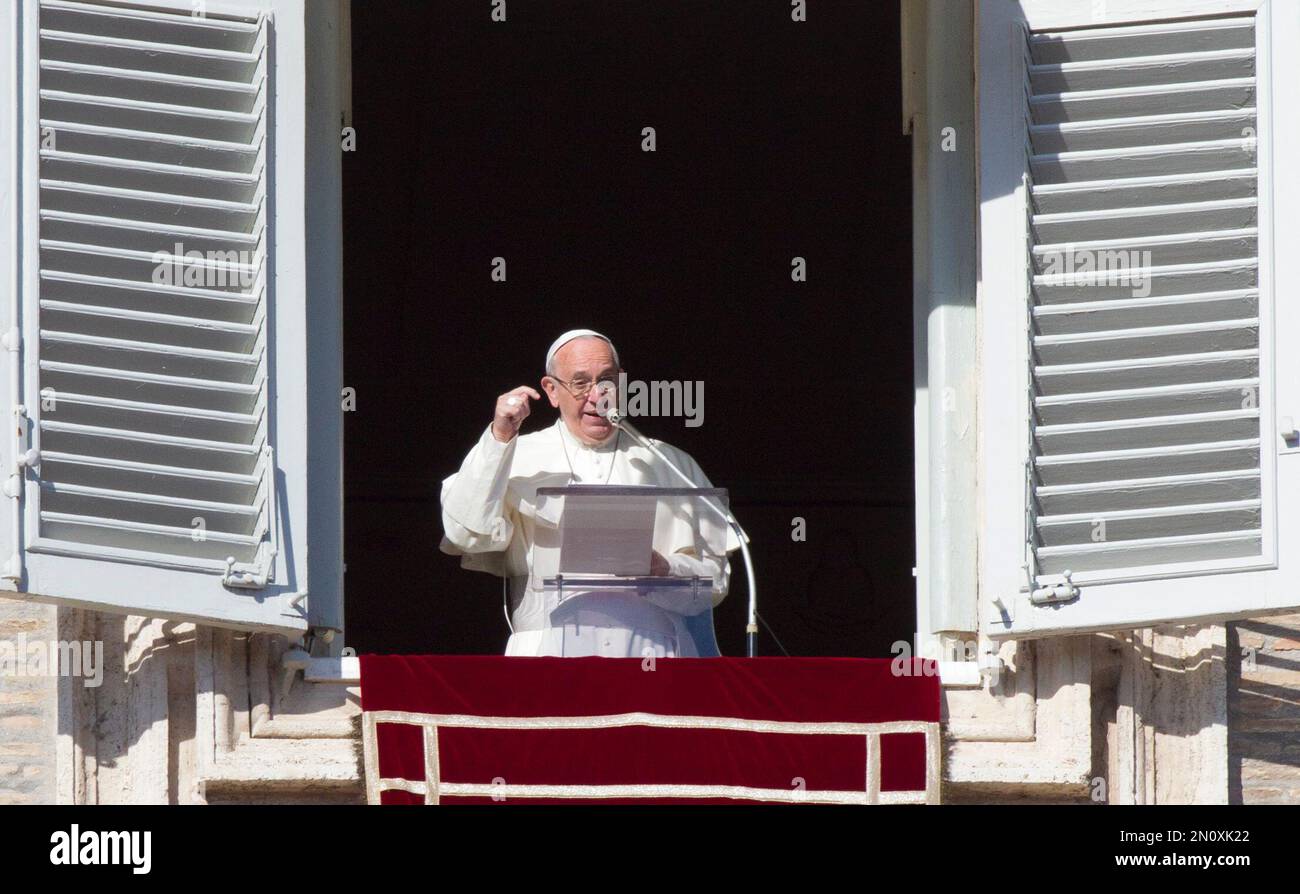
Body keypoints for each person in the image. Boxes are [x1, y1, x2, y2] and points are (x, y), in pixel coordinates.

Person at [439, 329, 740, 657]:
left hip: (653, 654)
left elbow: (716, 583)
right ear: (552, 391)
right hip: (548, 654)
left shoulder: (672, 463)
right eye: (580, 383)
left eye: (608, 380)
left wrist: (664, 568)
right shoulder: (516, 457)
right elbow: (468, 535)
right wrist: (500, 435)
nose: (599, 396)